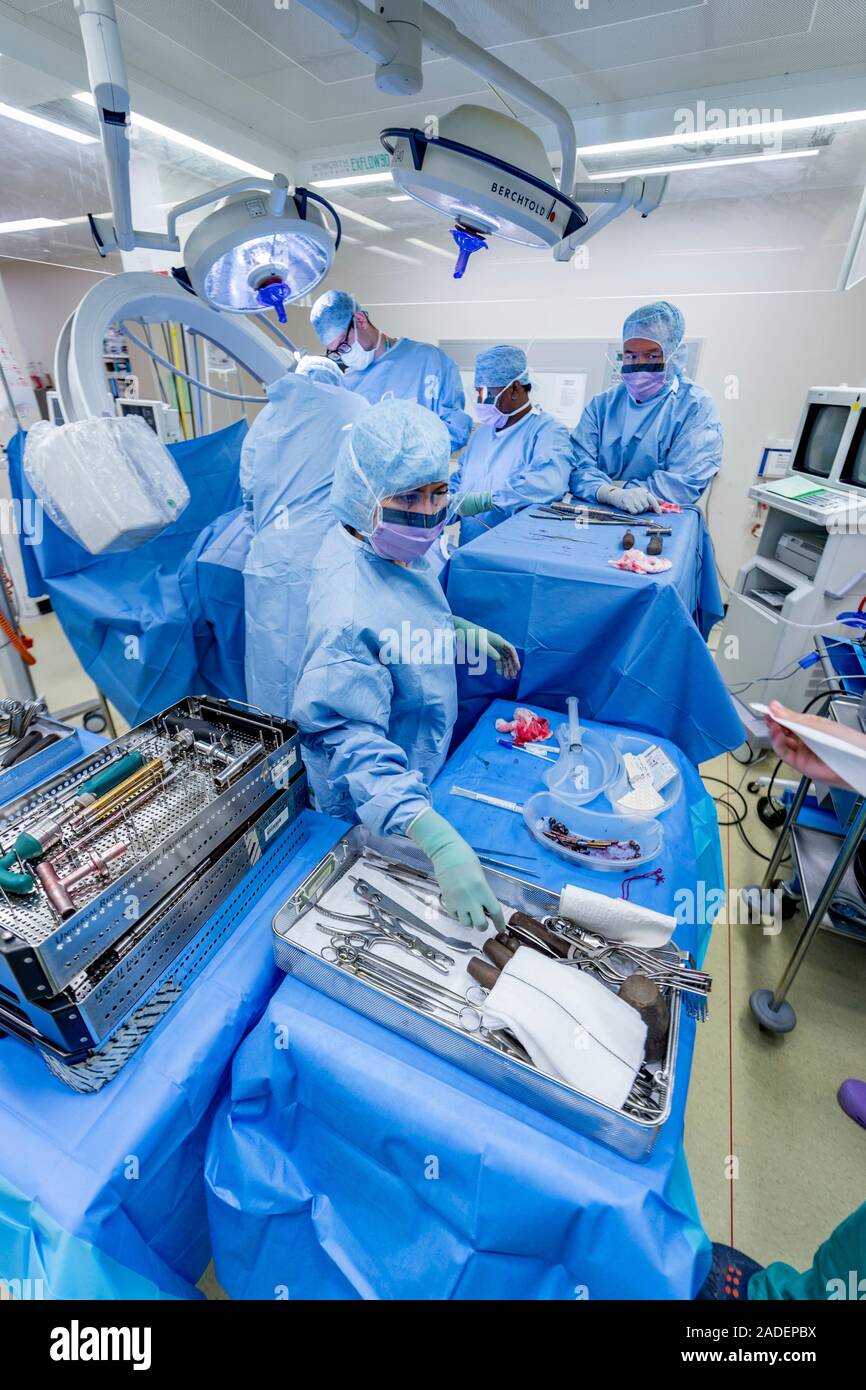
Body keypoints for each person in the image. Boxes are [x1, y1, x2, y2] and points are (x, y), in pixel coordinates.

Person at [292, 399, 520, 929]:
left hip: (414, 766)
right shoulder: (347, 614)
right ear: (364, 495)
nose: (428, 511)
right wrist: (436, 839)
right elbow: (350, 741)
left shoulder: (380, 541)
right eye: (408, 496)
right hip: (373, 808)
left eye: (439, 490)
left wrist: (456, 630)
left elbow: (398, 614)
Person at [240, 360, 367, 718]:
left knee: (270, 668)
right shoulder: (352, 410)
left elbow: (249, 502)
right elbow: (368, 493)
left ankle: (276, 754)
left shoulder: (264, 423)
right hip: (327, 559)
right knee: (322, 670)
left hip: (269, 562)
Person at [569, 300, 723, 514]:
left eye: (651, 355)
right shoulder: (602, 405)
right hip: (597, 509)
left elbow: (684, 481)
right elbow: (578, 465)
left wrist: (628, 491)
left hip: (660, 517)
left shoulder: (695, 406)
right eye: (631, 355)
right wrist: (611, 494)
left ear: (674, 355)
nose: (639, 364)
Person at [309, 289, 472, 450]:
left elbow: (456, 429)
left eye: (344, 344)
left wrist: (410, 455)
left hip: (427, 476)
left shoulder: (429, 360)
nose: (344, 354)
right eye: (337, 351)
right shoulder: (348, 385)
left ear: (360, 320)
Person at [451, 345, 574, 544]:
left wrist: (486, 501)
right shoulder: (482, 433)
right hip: (469, 548)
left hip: (513, 552)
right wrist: (443, 503)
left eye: (488, 393)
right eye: (478, 393)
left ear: (515, 389)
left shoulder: (547, 432)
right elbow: (462, 477)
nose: (482, 402)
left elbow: (547, 484)